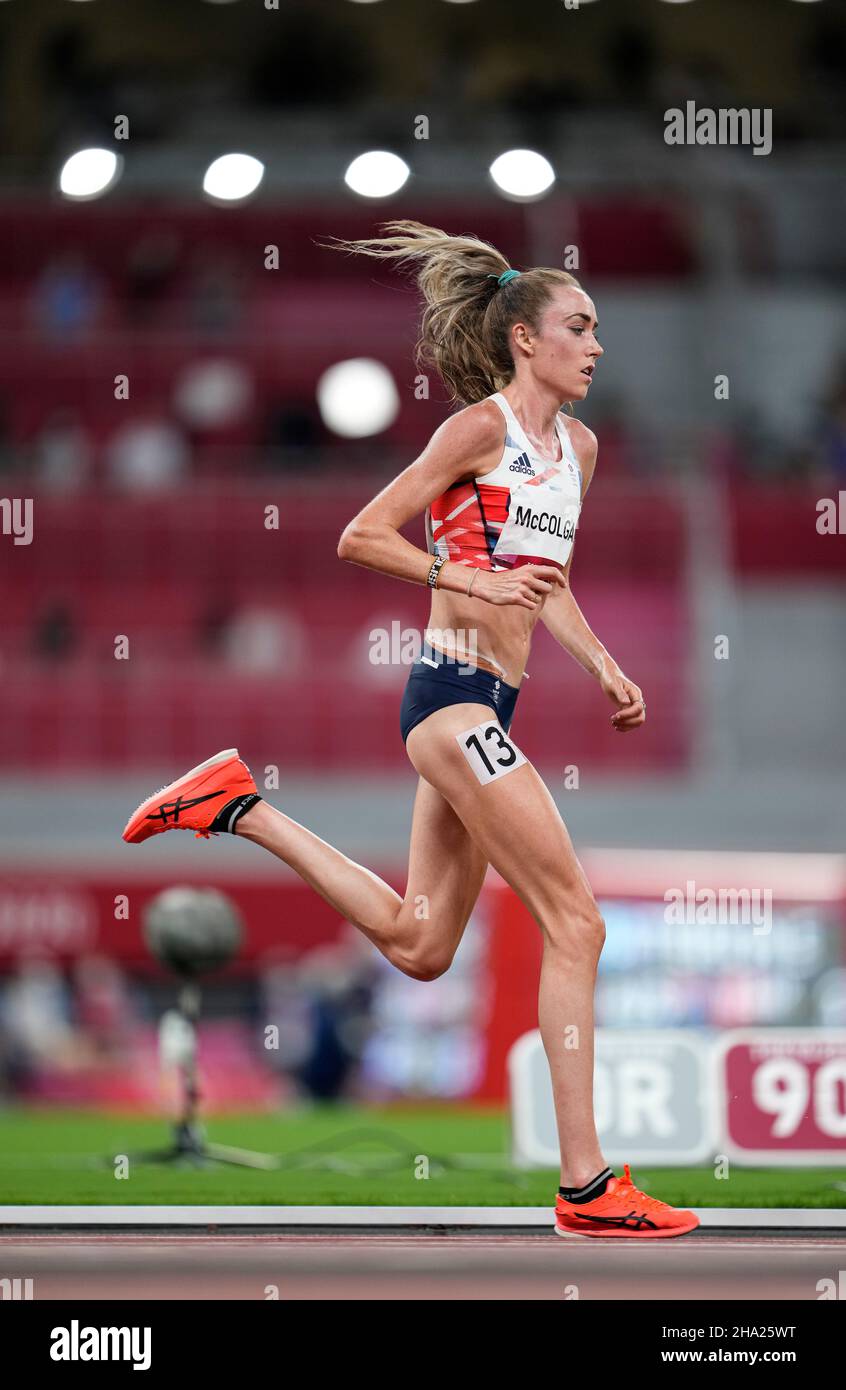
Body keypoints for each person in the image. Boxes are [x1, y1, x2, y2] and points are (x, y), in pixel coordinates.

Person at [122, 220, 697, 1239]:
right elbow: (361, 534)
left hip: (495, 699)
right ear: (527, 339)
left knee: (423, 944)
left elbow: (543, 583)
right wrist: (463, 575)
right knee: (580, 922)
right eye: (580, 325)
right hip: (449, 698)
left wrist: (604, 665)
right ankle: (586, 1185)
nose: (597, 345)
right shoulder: (479, 430)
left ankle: (240, 805)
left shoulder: (583, 450)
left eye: (597, 326)